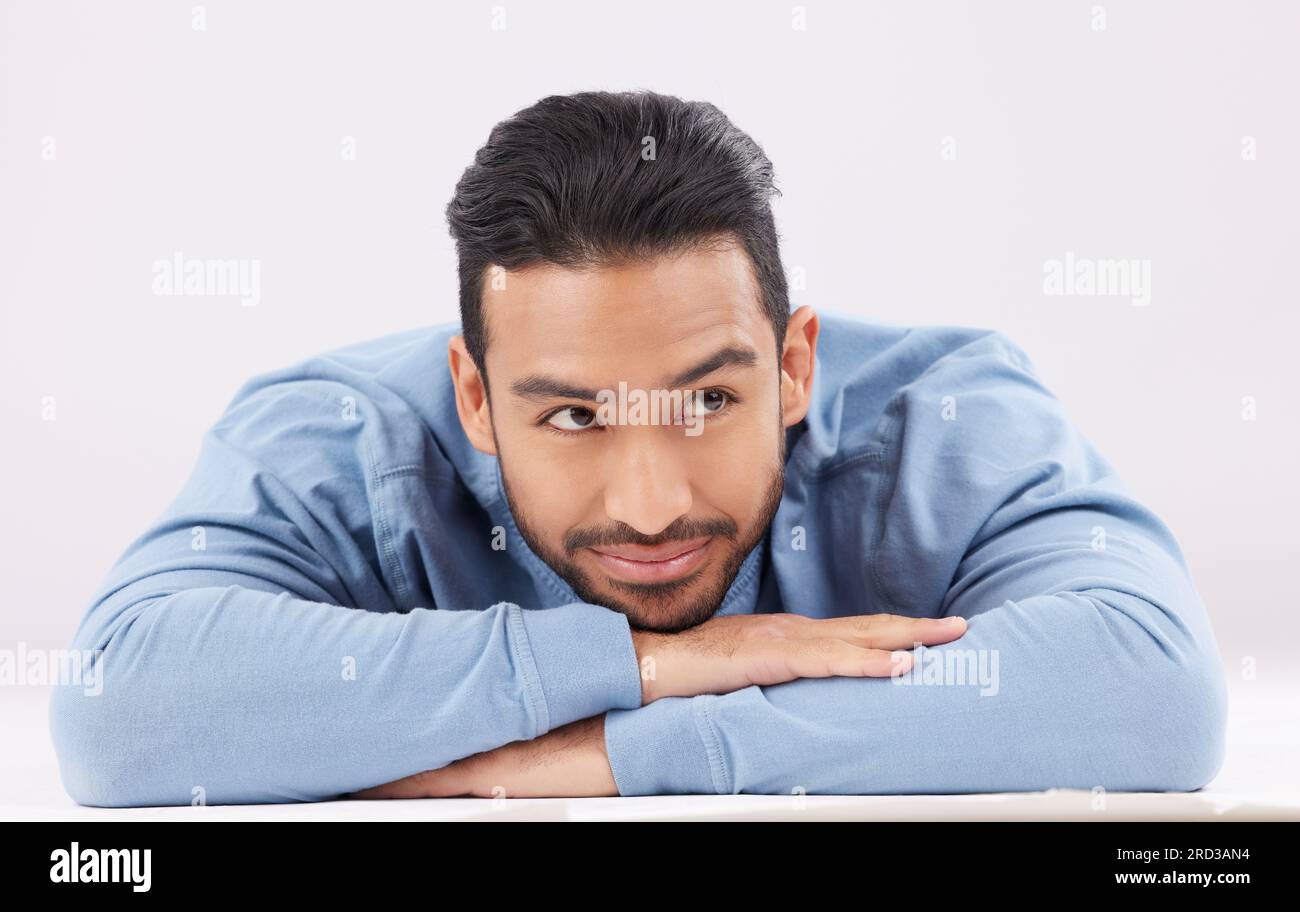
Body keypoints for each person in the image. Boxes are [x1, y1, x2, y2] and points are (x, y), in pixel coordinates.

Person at [49, 90, 1227, 806]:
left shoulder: (945, 414)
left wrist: (613, 754)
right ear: (471, 394)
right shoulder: (337, 435)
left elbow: (1152, 691)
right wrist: (664, 661)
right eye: (572, 417)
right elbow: (119, 706)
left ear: (795, 363)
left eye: (708, 401)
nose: (653, 506)